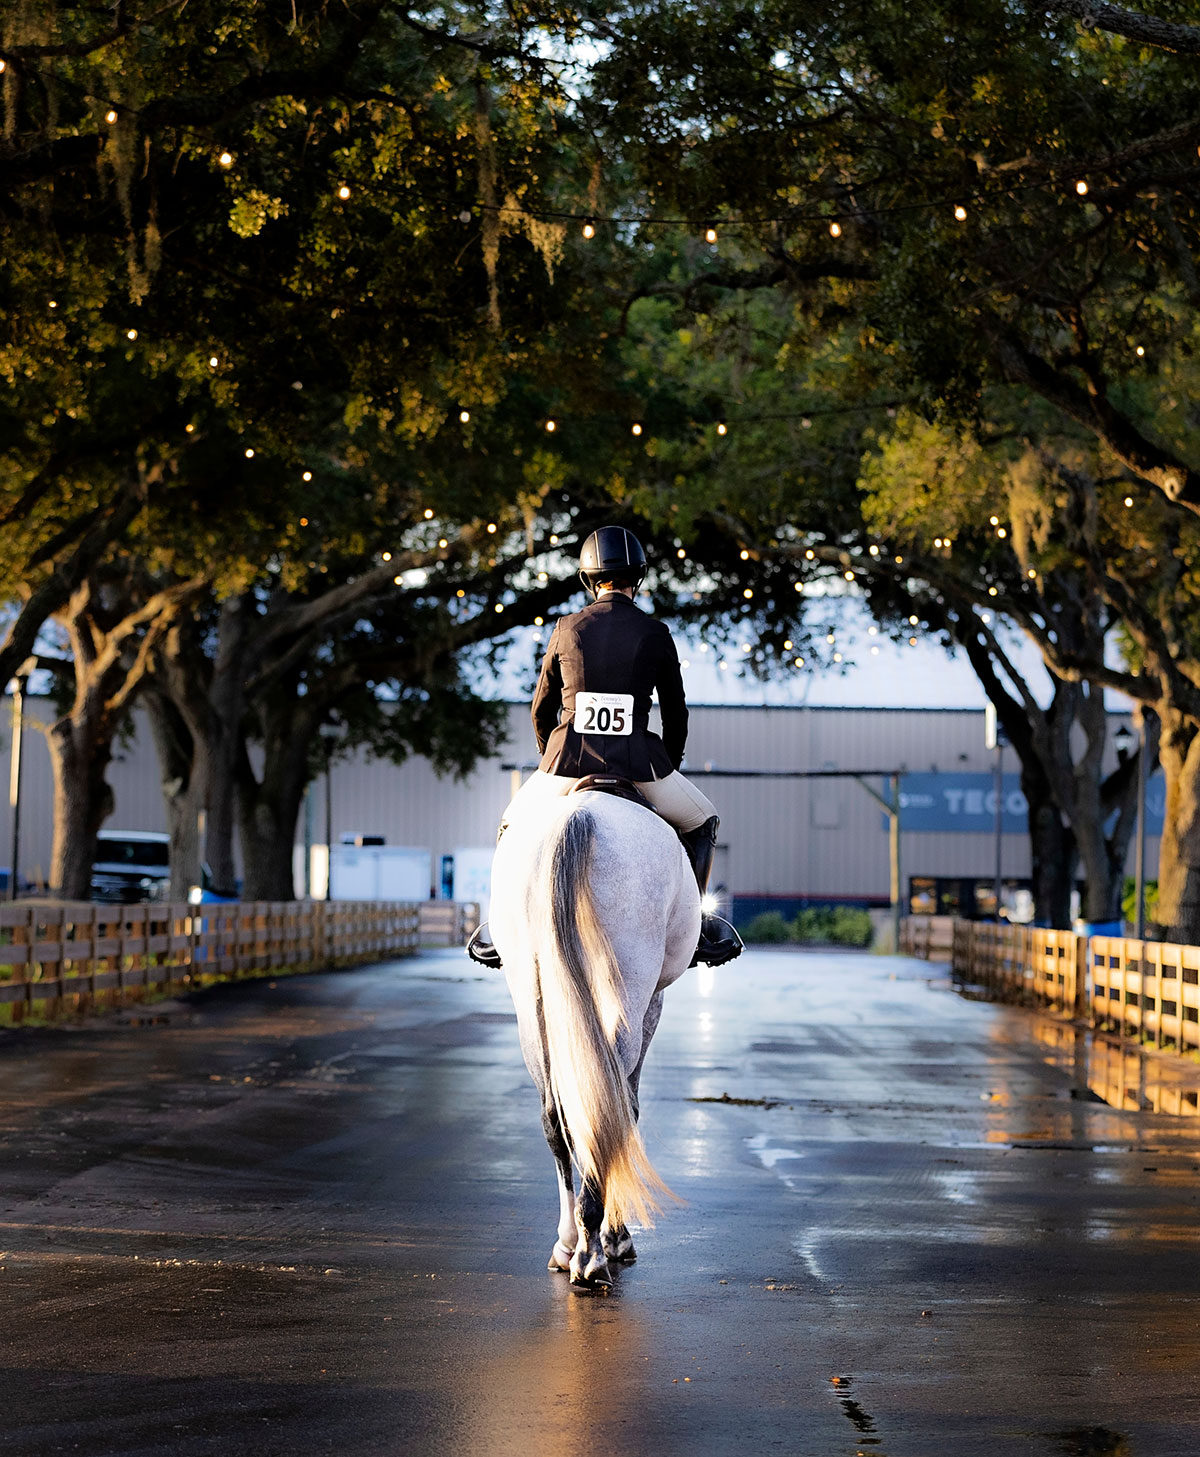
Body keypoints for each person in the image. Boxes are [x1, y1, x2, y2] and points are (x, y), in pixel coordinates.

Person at [468, 525, 743, 969]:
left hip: (568, 762)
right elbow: (676, 714)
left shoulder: (566, 628)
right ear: (639, 575)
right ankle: (696, 930)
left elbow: (541, 708)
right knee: (703, 820)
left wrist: (552, 757)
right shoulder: (655, 632)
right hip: (638, 764)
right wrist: (665, 766)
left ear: (587, 578)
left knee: (509, 825)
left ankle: (499, 928)